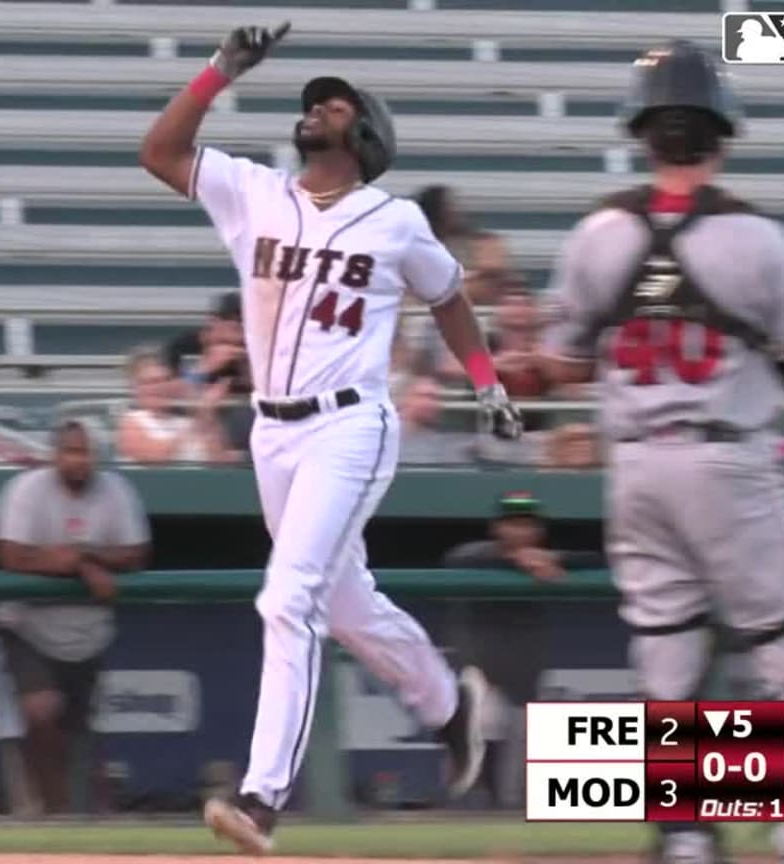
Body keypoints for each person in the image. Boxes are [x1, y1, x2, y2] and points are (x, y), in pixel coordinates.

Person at [139, 22, 525, 854]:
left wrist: (486, 381)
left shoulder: (395, 221)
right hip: (271, 435)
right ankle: (450, 704)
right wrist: (219, 72)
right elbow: (160, 151)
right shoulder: (254, 191)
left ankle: (260, 798)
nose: (317, 108)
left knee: (288, 598)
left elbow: (451, 297)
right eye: (313, 101)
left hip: (352, 424)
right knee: (346, 606)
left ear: (368, 134)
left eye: (337, 103)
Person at [540, 40, 784, 864]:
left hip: (632, 465)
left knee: (667, 657)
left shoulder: (597, 232)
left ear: (642, 132)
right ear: (721, 132)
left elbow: (563, 364)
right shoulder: (758, 237)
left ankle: (686, 841)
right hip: (726, 458)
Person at [0, 420, 151, 814]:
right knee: (41, 712)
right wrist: (82, 565)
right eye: (70, 452)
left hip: (88, 633)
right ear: (54, 456)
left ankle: (76, 816)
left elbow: (138, 553)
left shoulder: (115, 490)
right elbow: (9, 556)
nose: (78, 461)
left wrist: (81, 556)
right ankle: (54, 810)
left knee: (79, 732)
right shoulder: (27, 489)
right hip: (29, 627)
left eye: (85, 452)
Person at [443, 492, 604, 809]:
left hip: (525, 675)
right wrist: (514, 559)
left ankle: (513, 828)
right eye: (512, 522)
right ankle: (470, 816)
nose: (519, 530)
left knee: (524, 758)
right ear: (497, 528)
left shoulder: (548, 561)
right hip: (481, 670)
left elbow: (596, 560)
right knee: (479, 729)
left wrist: (554, 559)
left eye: (527, 523)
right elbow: (457, 557)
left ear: (538, 530)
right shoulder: (477, 557)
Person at [162, 292, 255, 457]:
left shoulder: (255, 345)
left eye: (240, 326)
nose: (232, 336)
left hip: (238, 421)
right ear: (212, 324)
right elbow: (168, 396)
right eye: (226, 324)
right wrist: (204, 367)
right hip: (190, 420)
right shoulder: (184, 346)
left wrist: (245, 363)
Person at [115, 346, 227, 464]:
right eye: (151, 382)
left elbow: (222, 462)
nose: (160, 387)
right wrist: (199, 416)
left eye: (165, 380)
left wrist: (207, 415)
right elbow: (156, 457)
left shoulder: (188, 422)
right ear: (137, 388)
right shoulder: (131, 421)